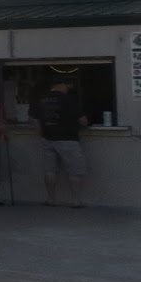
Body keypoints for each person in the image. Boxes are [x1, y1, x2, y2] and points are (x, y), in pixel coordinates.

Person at [36, 78, 89, 207]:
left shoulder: (41, 99)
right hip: (68, 139)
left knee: (50, 170)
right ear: (60, 85)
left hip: (47, 139)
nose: (68, 88)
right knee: (74, 170)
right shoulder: (68, 99)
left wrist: (41, 133)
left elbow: (34, 120)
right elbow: (83, 120)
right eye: (67, 85)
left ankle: (51, 199)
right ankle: (76, 201)